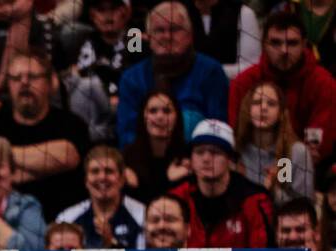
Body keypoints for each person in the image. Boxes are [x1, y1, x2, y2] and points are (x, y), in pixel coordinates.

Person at [0, 48, 91, 220]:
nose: (24, 83)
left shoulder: (71, 124)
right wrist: (44, 167)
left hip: (63, 222)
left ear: (50, 81)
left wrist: (0, 159)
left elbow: (68, 156)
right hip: (5, 221)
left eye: (32, 77)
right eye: (16, 78)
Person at [229, 9, 336, 169]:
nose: (284, 50)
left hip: (303, 166)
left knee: (290, 178)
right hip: (253, 163)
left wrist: (283, 168)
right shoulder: (244, 82)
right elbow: (237, 134)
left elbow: (320, 146)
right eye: (276, 43)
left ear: (304, 43)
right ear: (263, 43)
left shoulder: (323, 83)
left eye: (292, 43)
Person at [116, 1, 229, 149]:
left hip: (198, 160)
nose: (167, 36)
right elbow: (126, 136)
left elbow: (219, 130)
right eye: (159, 30)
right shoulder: (132, 78)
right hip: (146, 162)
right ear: (149, 38)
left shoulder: (211, 71)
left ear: (189, 36)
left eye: (175, 29)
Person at [171, 118, 274, 248]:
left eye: (215, 152)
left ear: (230, 160)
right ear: (190, 158)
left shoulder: (254, 199)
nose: (206, 159)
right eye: (199, 152)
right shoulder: (176, 197)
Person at [60, 0, 145, 143]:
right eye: (101, 10)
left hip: (124, 103)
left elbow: (133, 71)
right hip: (92, 104)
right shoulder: (85, 40)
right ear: (93, 15)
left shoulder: (134, 37)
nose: (108, 16)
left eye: (113, 9)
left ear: (126, 12)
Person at [235, 79, 315, 205]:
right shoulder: (237, 151)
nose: (263, 108)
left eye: (271, 104)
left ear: (281, 113)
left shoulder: (292, 153)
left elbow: (304, 207)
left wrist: (274, 191)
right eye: (256, 103)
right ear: (247, 109)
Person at [56, 145, 146, 249]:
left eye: (109, 171)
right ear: (86, 180)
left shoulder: (141, 215)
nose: (102, 177)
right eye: (95, 171)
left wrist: (111, 242)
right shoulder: (67, 219)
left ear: (122, 179)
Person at [122, 90, 191, 204]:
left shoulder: (188, 157)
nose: (160, 116)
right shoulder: (127, 157)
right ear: (143, 117)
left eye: (167, 111)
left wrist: (176, 181)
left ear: (177, 117)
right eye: (153, 111)